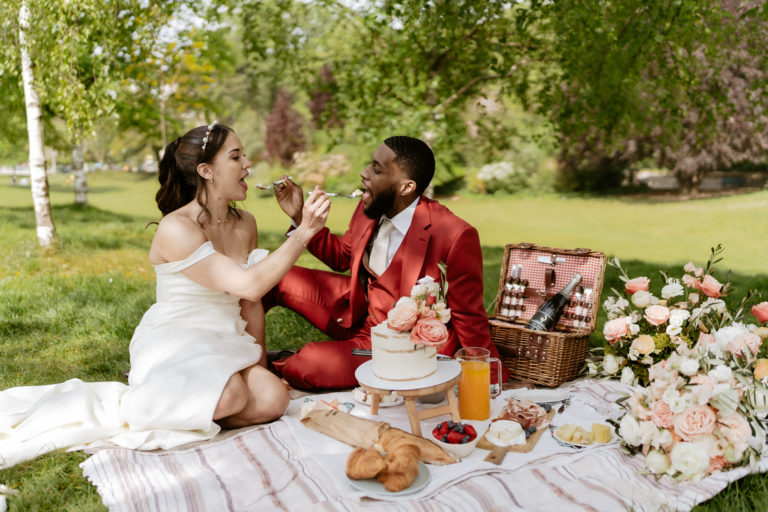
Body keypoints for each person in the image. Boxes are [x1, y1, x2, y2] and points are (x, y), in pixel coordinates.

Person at [0, 123, 330, 469]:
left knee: (273, 398)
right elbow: (248, 284)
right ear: (206, 171)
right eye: (236, 157)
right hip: (179, 338)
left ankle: (185, 403)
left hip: (226, 338)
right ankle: (150, 396)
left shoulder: (245, 222)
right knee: (231, 393)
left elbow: (251, 302)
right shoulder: (177, 228)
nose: (248, 165)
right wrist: (304, 231)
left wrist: (257, 364)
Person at [261, 135, 510, 390]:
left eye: (376, 169)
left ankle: (277, 366)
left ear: (406, 187)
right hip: (355, 310)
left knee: (308, 364)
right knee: (270, 277)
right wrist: (298, 214)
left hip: (399, 344)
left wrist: (491, 380)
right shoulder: (372, 204)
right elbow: (342, 255)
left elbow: (468, 316)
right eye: (370, 164)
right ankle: (249, 363)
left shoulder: (455, 235)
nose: (364, 172)